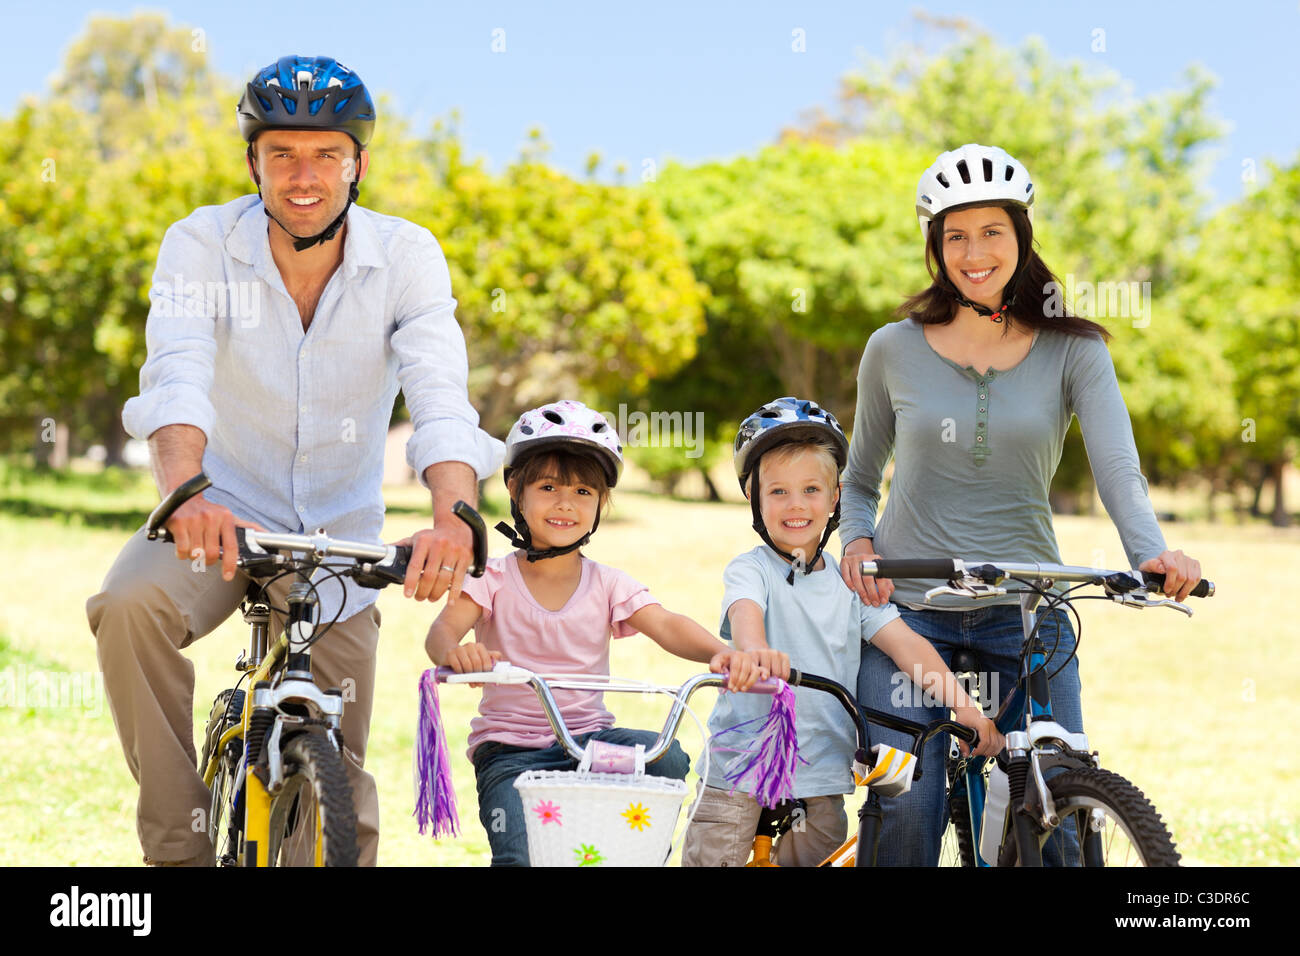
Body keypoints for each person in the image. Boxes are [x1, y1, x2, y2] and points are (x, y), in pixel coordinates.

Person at [85, 55, 504, 866]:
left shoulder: (408, 256)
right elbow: (175, 372)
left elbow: (439, 389)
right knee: (128, 605)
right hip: (217, 512)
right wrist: (186, 492)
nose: (302, 176)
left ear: (359, 164)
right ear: (254, 161)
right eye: (282, 154)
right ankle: (180, 845)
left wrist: (454, 510)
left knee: (340, 792)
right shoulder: (201, 243)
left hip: (339, 530)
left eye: (325, 155)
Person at [838, 143, 1204, 866]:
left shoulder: (1075, 350)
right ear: (935, 247)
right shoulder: (892, 348)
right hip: (910, 607)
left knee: (1055, 804)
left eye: (992, 231)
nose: (975, 252)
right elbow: (858, 481)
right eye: (956, 235)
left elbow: (1119, 470)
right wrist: (857, 542)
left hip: (1027, 607)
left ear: (1022, 234)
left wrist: (1149, 552)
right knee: (907, 805)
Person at [425, 400, 769, 867]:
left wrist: (721, 652)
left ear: (601, 502)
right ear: (514, 489)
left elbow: (665, 623)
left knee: (664, 758)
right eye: (547, 487)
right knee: (519, 853)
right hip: (510, 752)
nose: (566, 503)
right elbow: (442, 630)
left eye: (584, 492)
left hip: (588, 741)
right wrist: (454, 651)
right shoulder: (494, 578)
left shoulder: (607, 583)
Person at [679, 397, 1001, 868]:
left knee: (828, 846)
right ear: (754, 498)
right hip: (739, 772)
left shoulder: (850, 584)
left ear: (836, 499)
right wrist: (756, 651)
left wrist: (963, 705)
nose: (796, 505)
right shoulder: (752, 569)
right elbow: (746, 614)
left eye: (811, 489)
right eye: (778, 492)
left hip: (821, 780)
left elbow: (907, 645)